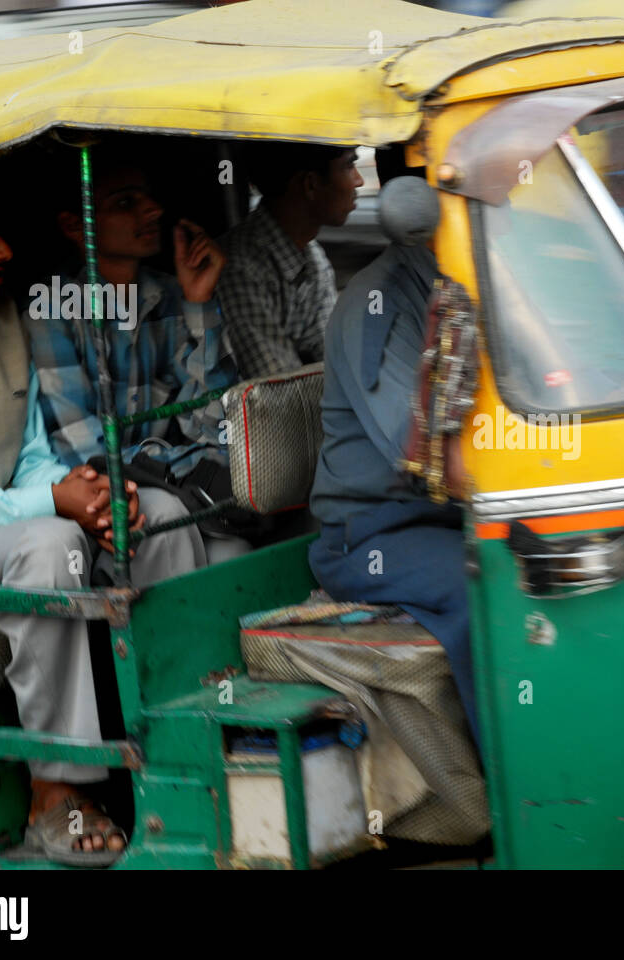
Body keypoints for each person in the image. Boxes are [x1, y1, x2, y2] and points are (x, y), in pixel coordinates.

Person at [0, 173, 206, 865]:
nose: (3, 252)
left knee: (163, 514)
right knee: (51, 546)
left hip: (3, 529)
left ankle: (178, 758)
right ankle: (55, 794)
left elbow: (28, 459)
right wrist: (46, 506)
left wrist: (84, 493)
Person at [307, 176, 480, 748]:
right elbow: (436, 463)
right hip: (374, 533)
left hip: (450, 517)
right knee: (491, 582)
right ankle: (523, 784)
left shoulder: (481, 280)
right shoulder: (375, 306)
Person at [26, 143, 245, 561]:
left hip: (168, 486)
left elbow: (218, 423)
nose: (152, 211)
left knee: (233, 551)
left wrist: (199, 303)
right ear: (75, 226)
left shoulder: (166, 296)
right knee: (167, 516)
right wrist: (179, 464)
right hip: (92, 498)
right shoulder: (51, 311)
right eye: (126, 203)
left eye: (147, 198)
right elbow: (86, 453)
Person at [218, 142, 363, 378]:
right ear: (311, 184)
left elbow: (337, 355)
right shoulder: (240, 268)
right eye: (349, 166)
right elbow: (278, 389)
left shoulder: (312, 256)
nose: (359, 181)